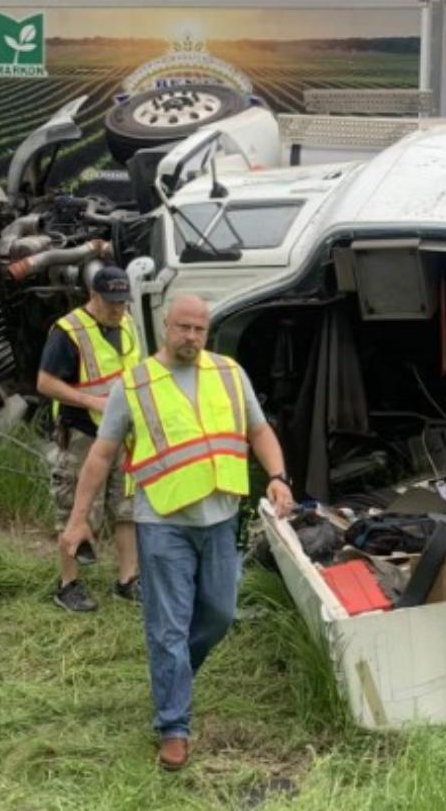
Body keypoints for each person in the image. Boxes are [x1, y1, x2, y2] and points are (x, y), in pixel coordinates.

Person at [61, 293, 295, 772]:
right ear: (165, 326)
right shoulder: (137, 383)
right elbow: (101, 455)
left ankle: (172, 676)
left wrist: (277, 475)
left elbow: (259, 431)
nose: (190, 337)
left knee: (220, 614)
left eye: (199, 329)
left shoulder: (230, 374)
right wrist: (78, 517)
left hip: (220, 518)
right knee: (167, 628)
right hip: (162, 522)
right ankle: (173, 726)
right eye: (182, 327)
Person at [36, 265, 143, 612]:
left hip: (124, 434)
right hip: (84, 432)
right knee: (75, 507)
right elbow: (45, 383)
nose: (118, 309)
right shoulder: (69, 332)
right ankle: (68, 585)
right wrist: (90, 401)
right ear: (93, 297)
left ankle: (128, 580)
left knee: (127, 505)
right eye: (111, 302)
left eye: (123, 302)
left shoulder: (127, 323)